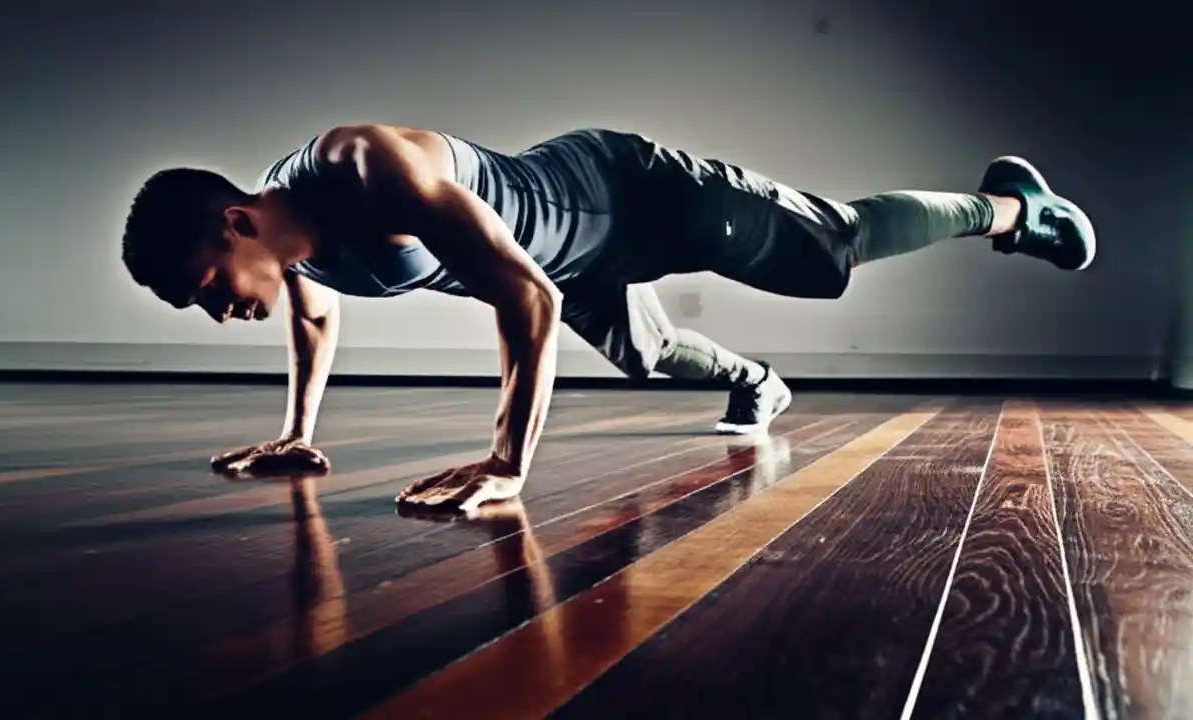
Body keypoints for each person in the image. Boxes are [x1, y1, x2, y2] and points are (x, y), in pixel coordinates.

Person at [120, 123, 1094, 513]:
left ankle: (1008, 208)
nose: (215, 312)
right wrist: (296, 432)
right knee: (650, 353)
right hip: (571, 265)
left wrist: (507, 463)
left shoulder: (361, 166)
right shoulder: (294, 249)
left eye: (205, 286)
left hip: (627, 197)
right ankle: (756, 382)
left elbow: (524, 296)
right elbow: (317, 318)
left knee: (829, 251)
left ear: (236, 221)